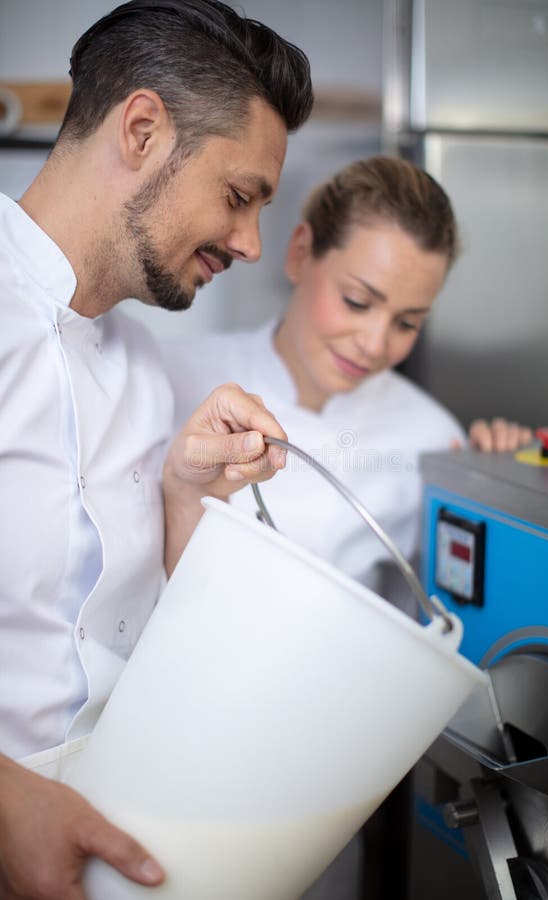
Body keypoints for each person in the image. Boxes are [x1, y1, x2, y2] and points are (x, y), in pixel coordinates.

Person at [0, 1, 313, 897]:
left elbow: (132, 633)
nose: (251, 243)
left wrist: (184, 495)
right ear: (141, 129)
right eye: (239, 195)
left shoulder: (143, 364)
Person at [160, 155, 532, 900]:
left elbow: (447, 626)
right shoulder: (174, 376)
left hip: (315, 793)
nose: (374, 342)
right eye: (358, 300)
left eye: (407, 322)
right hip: (167, 746)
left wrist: (503, 487)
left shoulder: (428, 436)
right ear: (301, 254)